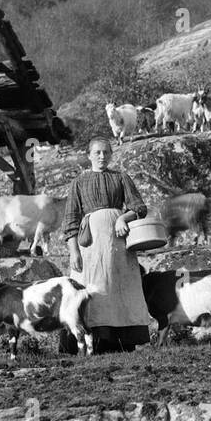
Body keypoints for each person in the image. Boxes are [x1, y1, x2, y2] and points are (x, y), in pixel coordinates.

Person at [62, 136, 152, 352]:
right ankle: (89, 342)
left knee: (119, 288)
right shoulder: (79, 182)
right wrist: (74, 251)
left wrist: (123, 218)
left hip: (118, 244)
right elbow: (71, 220)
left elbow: (139, 207)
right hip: (90, 246)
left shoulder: (120, 177)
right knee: (90, 288)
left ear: (111, 154)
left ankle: (123, 342)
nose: (102, 156)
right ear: (89, 156)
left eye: (106, 152)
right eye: (97, 152)